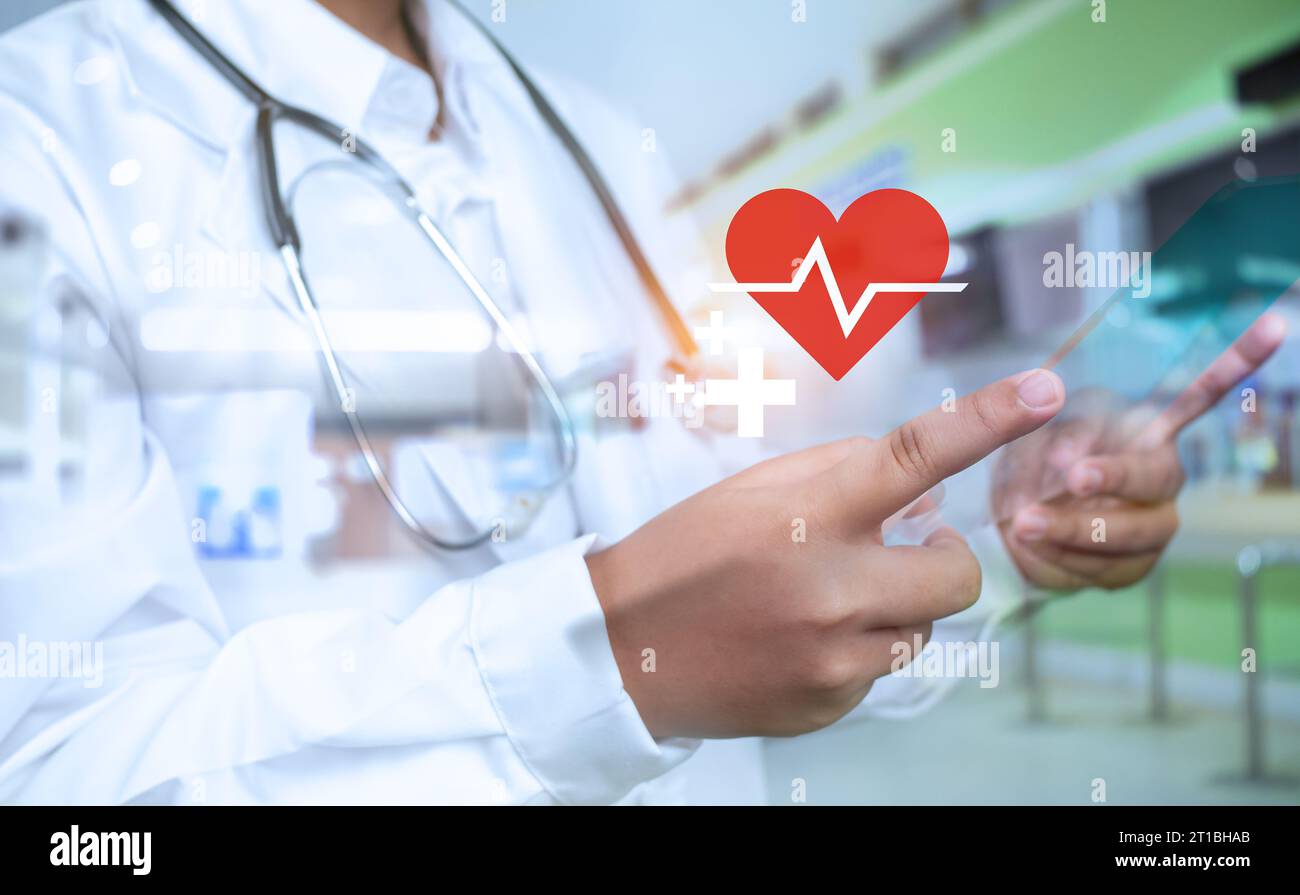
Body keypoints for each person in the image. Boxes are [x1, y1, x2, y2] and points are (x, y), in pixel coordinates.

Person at [0, 0, 1283, 805]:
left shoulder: (590, 142)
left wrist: (1001, 532)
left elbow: (741, 533)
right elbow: (63, 786)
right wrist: (609, 660)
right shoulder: (40, 141)